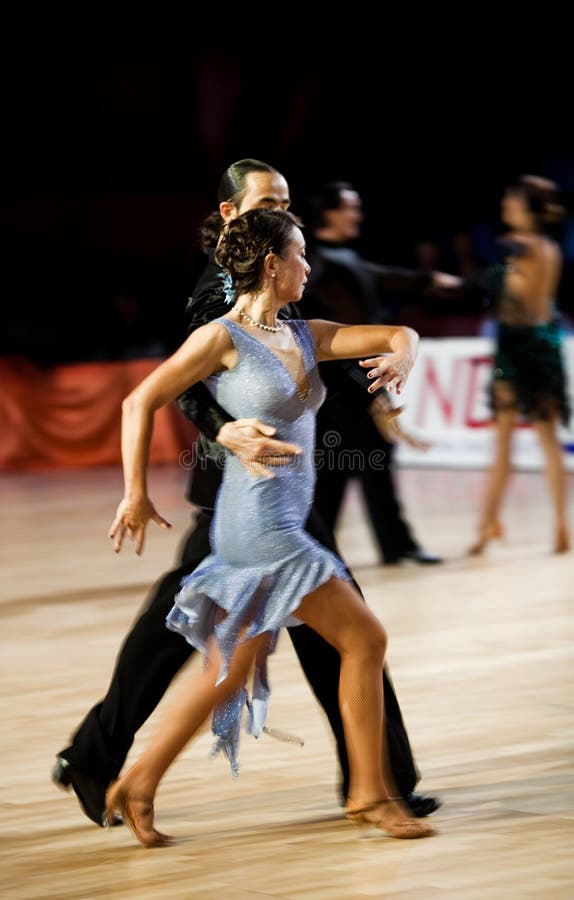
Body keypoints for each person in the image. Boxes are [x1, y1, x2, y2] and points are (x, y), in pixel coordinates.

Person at [53, 159, 440, 827]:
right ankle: (377, 786)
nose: (289, 220)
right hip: (251, 494)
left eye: (288, 202)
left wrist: (396, 357)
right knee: (348, 638)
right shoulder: (218, 297)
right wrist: (224, 433)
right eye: (272, 207)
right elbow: (188, 385)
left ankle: (128, 775)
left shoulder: (293, 317)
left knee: (232, 664)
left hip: (273, 493)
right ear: (240, 224)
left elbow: (316, 350)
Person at [303, 180, 457, 564]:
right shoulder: (321, 264)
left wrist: (427, 279)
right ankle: (341, 549)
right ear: (329, 212)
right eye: (350, 207)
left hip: (352, 382)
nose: (357, 214)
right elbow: (346, 332)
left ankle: (376, 547)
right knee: (345, 467)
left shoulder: (340, 259)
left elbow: (379, 274)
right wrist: (369, 388)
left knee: (354, 465)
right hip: (344, 384)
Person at [469, 175, 571, 555]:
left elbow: (515, 293)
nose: (506, 206)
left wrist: (502, 266)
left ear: (527, 209)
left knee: (503, 443)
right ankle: (560, 523)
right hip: (544, 344)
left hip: (516, 349)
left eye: (512, 201)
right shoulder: (552, 248)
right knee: (547, 440)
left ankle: (487, 524)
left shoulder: (522, 246)